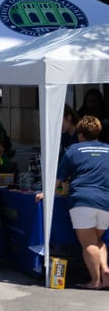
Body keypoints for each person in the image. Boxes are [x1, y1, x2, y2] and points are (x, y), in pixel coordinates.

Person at [56, 115, 109, 289]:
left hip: (83, 200)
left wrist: (46, 193)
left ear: (80, 133)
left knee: (88, 244)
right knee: (98, 241)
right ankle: (105, 271)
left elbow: (59, 179)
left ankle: (95, 280)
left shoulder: (73, 150)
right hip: (106, 201)